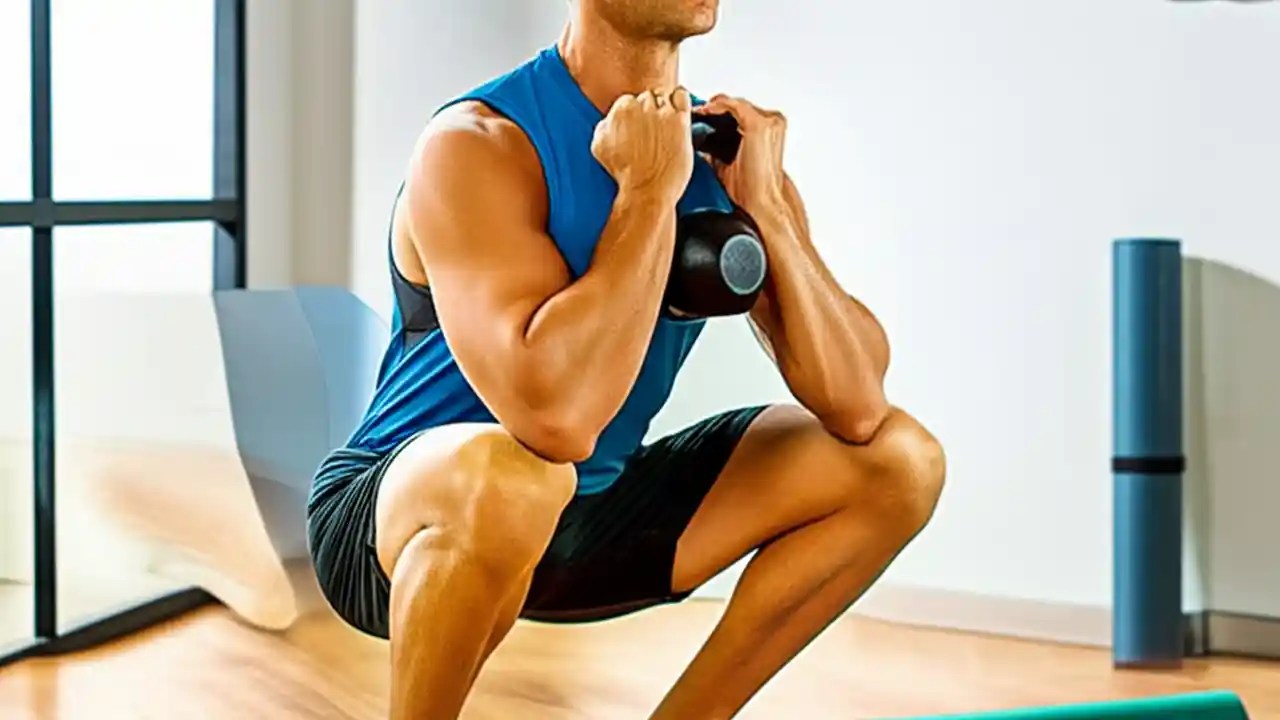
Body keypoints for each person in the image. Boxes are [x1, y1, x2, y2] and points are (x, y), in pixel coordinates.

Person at [306, 1, 946, 718]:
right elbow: (555, 423)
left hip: (589, 515)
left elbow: (859, 405)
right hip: (401, 528)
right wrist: (645, 194)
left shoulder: (721, 155)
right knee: (516, 476)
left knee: (901, 462)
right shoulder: (478, 143)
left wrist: (766, 207)